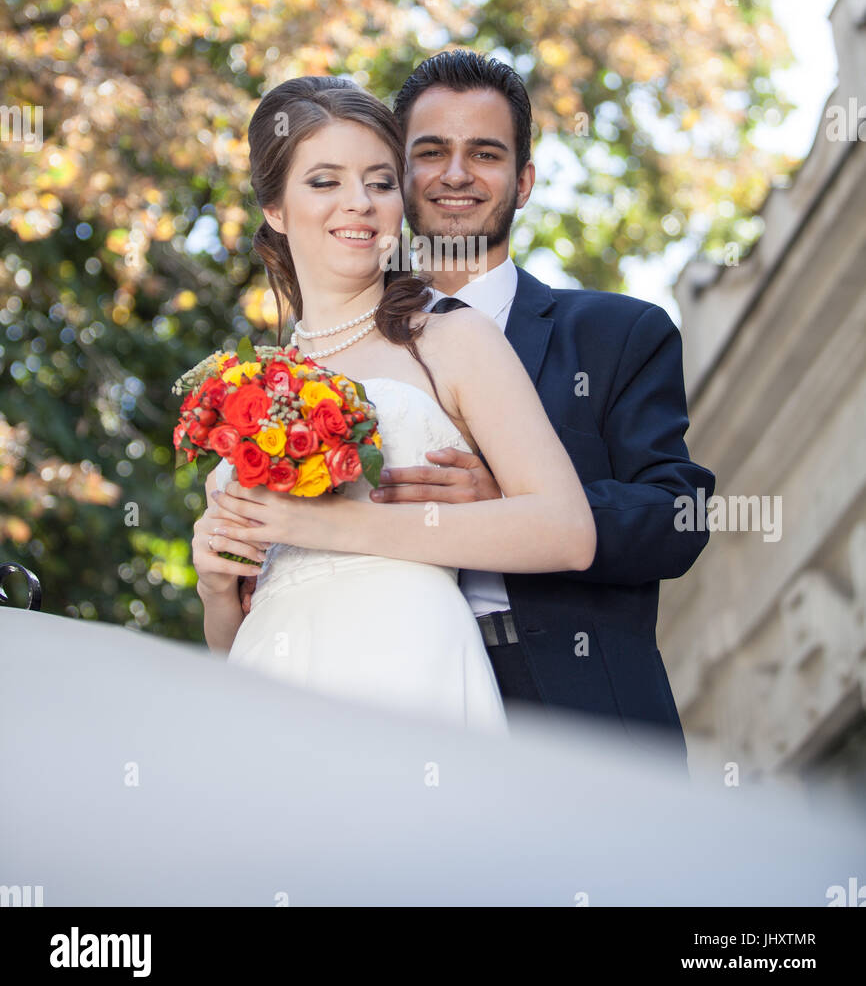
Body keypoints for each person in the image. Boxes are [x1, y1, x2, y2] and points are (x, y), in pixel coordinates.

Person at [192, 75, 596, 732]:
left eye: (380, 182)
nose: (360, 204)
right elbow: (235, 645)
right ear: (274, 207)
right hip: (273, 697)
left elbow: (567, 531)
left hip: (411, 667)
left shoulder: (450, 335)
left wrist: (333, 528)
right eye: (325, 182)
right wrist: (215, 588)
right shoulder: (251, 396)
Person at [366, 48, 715, 762]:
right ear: (397, 178)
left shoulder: (620, 335)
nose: (456, 174)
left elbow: (680, 513)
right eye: (430, 152)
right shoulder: (343, 361)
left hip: (570, 699)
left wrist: (516, 504)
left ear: (522, 182)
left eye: (485, 154)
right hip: (390, 699)